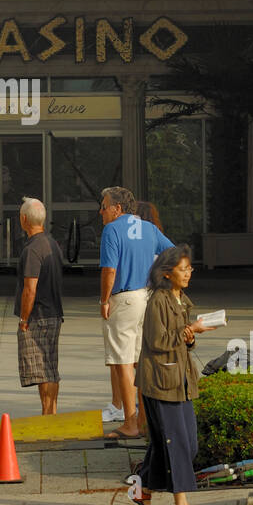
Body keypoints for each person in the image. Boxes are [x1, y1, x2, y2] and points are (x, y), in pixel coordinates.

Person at [130, 244, 215, 505]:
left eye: (190, 268)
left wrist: (191, 337)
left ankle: (142, 487)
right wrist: (190, 330)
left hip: (181, 381)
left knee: (184, 445)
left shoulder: (180, 299)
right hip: (161, 382)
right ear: (167, 273)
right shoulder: (159, 300)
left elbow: (179, 341)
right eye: (183, 269)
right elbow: (157, 342)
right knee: (176, 444)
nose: (188, 273)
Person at [99, 185, 173, 439]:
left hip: (125, 298)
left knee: (123, 362)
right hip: (148, 296)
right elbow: (174, 254)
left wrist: (103, 300)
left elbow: (109, 270)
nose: (101, 211)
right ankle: (142, 420)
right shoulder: (148, 228)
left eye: (104, 206)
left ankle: (130, 422)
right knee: (142, 361)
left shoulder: (111, 229)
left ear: (117, 208)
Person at [14, 196, 63, 414]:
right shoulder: (51, 243)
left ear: (24, 219)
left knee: (43, 369)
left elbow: (29, 288)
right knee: (51, 366)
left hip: (39, 315)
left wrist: (24, 319)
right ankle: (52, 412)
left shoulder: (32, 249)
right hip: (53, 312)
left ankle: (47, 414)